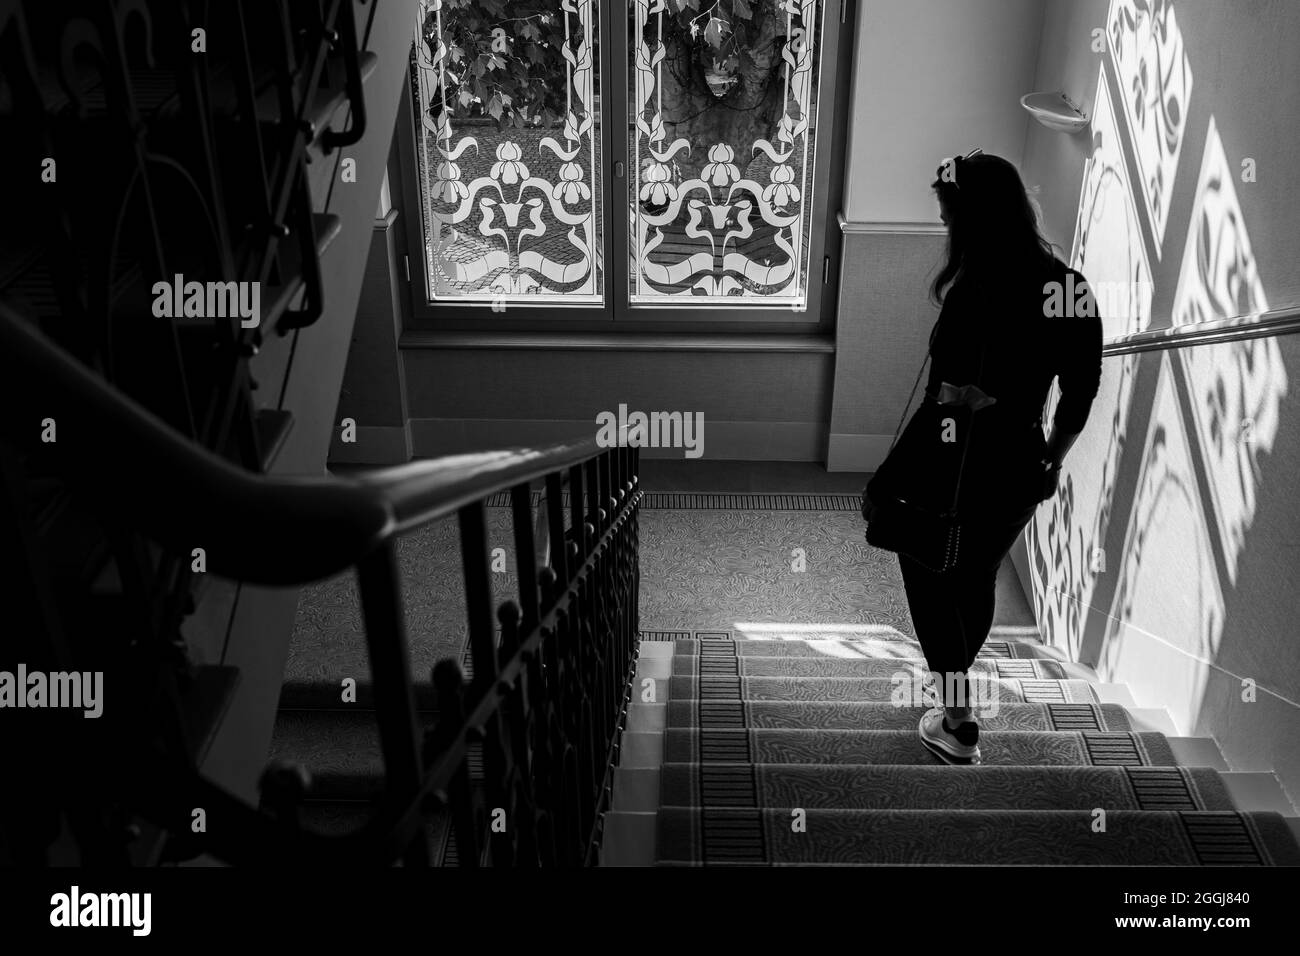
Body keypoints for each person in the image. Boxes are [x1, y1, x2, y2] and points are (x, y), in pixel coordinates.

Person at [903, 150, 1103, 764]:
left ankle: (960, 717)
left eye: (948, 212)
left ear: (974, 216)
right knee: (976, 574)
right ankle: (957, 707)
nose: (944, 224)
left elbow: (950, 391)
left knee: (925, 567)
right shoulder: (1067, 286)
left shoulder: (976, 289)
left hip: (954, 455)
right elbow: (1081, 384)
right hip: (1019, 460)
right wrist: (1052, 456)